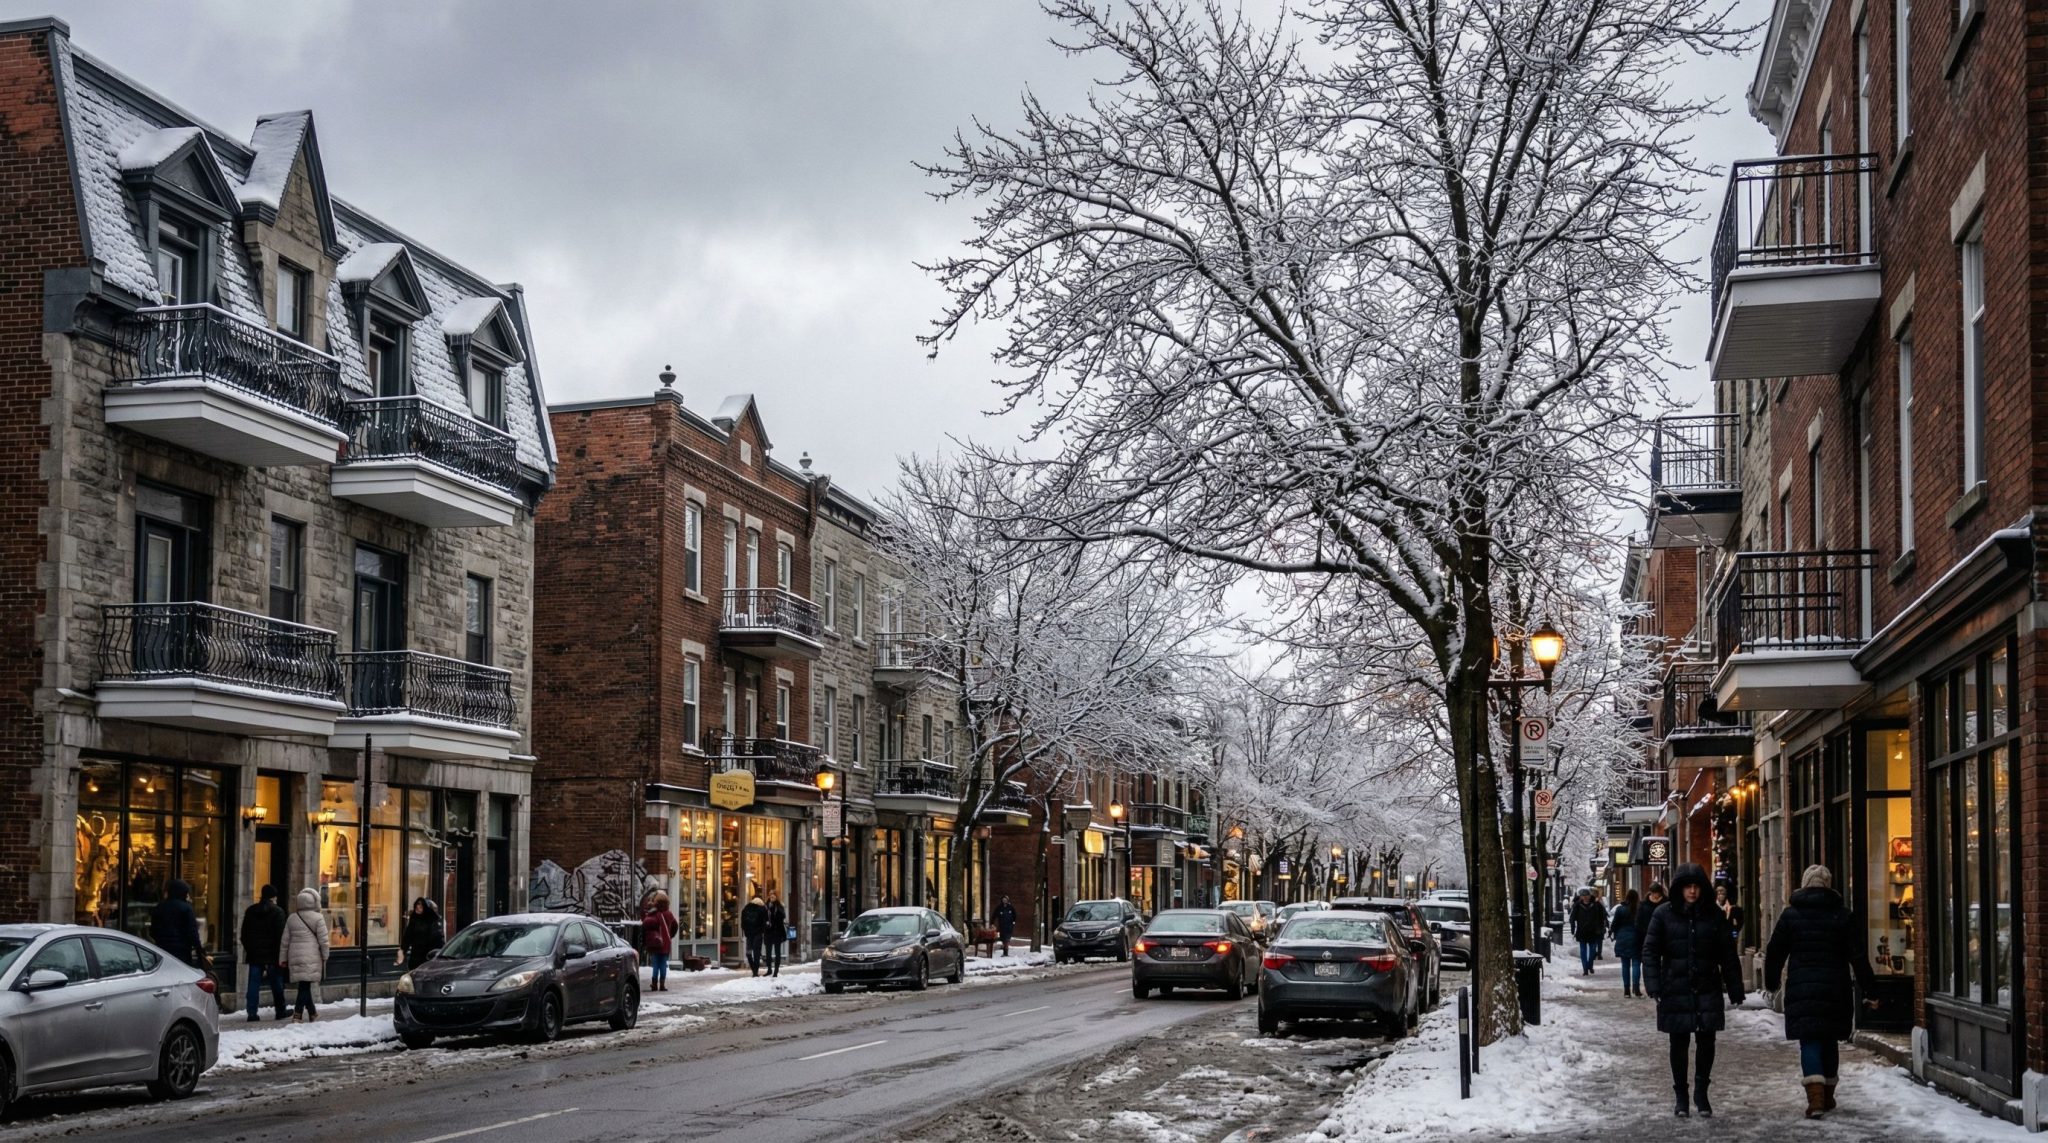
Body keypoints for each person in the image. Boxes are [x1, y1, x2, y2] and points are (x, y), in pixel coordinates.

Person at [1764, 865, 1879, 1118]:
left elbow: (1774, 952)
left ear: (1805, 885)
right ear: (1828, 886)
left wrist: (1771, 982)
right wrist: (1870, 989)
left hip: (1802, 988)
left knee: (1810, 1041)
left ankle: (1815, 1100)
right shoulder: (1842, 916)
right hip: (1835, 988)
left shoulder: (1790, 915)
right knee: (1829, 1040)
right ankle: (1827, 1096)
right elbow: (1858, 957)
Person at [1642, 863, 1745, 1119]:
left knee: (1706, 1042)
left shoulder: (1713, 916)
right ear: (1679, 889)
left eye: (1696, 886)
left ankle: (1701, 1091)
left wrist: (1735, 987)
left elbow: (1727, 954)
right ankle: (1681, 1095)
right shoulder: (1663, 914)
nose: (1692, 891)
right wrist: (1653, 984)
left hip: (1706, 986)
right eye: (1687, 886)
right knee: (1678, 1043)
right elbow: (1651, 951)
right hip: (1674, 987)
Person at [239, 885, 288, 1021]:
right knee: (277, 983)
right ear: (273, 897)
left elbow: (244, 935)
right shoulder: (278, 912)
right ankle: (280, 1010)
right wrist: (280, 954)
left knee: (253, 984)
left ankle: (252, 1013)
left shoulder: (251, 911)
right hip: (273, 955)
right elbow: (280, 936)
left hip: (254, 955)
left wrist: (251, 949)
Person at [282, 887, 330, 1023]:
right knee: (304, 985)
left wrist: (283, 958)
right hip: (311, 956)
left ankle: (313, 1013)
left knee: (304, 984)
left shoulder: (292, 918)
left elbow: (285, 941)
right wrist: (325, 955)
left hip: (295, 956)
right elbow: (324, 941)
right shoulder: (318, 918)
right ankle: (297, 1014)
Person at [149, 878, 204, 967]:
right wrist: (200, 951)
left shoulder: (160, 907)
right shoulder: (186, 908)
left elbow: (153, 931)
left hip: (162, 950)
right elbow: (192, 933)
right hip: (182, 952)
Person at [1610, 888, 1645, 998]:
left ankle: (1626, 990)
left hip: (1623, 939)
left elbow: (1614, 924)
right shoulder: (1640, 909)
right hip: (1637, 939)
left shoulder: (1620, 909)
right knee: (1636, 964)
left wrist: (1615, 934)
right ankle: (1636, 988)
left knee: (1625, 965)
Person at [642, 892, 679, 991]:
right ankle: (662, 985)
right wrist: (669, 936)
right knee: (663, 964)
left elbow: (646, 924)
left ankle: (654, 985)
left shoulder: (655, 913)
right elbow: (675, 926)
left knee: (656, 965)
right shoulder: (669, 914)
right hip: (666, 943)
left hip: (656, 942)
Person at [1569, 888, 1608, 976]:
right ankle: (1585, 968)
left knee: (1593, 951)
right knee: (1583, 951)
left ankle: (1590, 965)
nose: (1586, 898)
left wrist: (1601, 927)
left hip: (1593, 931)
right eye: (1584, 896)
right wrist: (1573, 928)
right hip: (1582, 931)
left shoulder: (1596, 905)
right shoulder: (1577, 906)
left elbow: (1602, 917)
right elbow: (1572, 918)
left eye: (1587, 896)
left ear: (1590, 896)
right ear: (1581, 897)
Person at [401, 897, 443, 970]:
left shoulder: (433, 921)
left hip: (428, 956)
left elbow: (438, 940)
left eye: (421, 905)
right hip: (415, 956)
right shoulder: (414, 919)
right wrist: (403, 950)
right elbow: (407, 937)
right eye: (417, 904)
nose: (418, 907)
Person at [740, 894, 769, 977]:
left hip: (749, 934)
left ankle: (754, 969)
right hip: (758, 934)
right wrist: (763, 929)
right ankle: (755, 972)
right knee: (756, 953)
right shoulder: (763, 909)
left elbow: (743, 923)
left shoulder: (745, 908)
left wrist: (746, 930)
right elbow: (766, 922)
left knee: (748, 953)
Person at [764, 892, 787, 977]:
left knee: (777, 952)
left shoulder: (779, 906)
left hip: (777, 931)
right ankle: (769, 969)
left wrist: (775, 907)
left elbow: (782, 917)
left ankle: (776, 971)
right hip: (768, 931)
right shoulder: (766, 906)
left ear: (776, 897)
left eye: (773, 895)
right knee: (768, 952)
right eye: (770, 895)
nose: (771, 896)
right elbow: (763, 917)